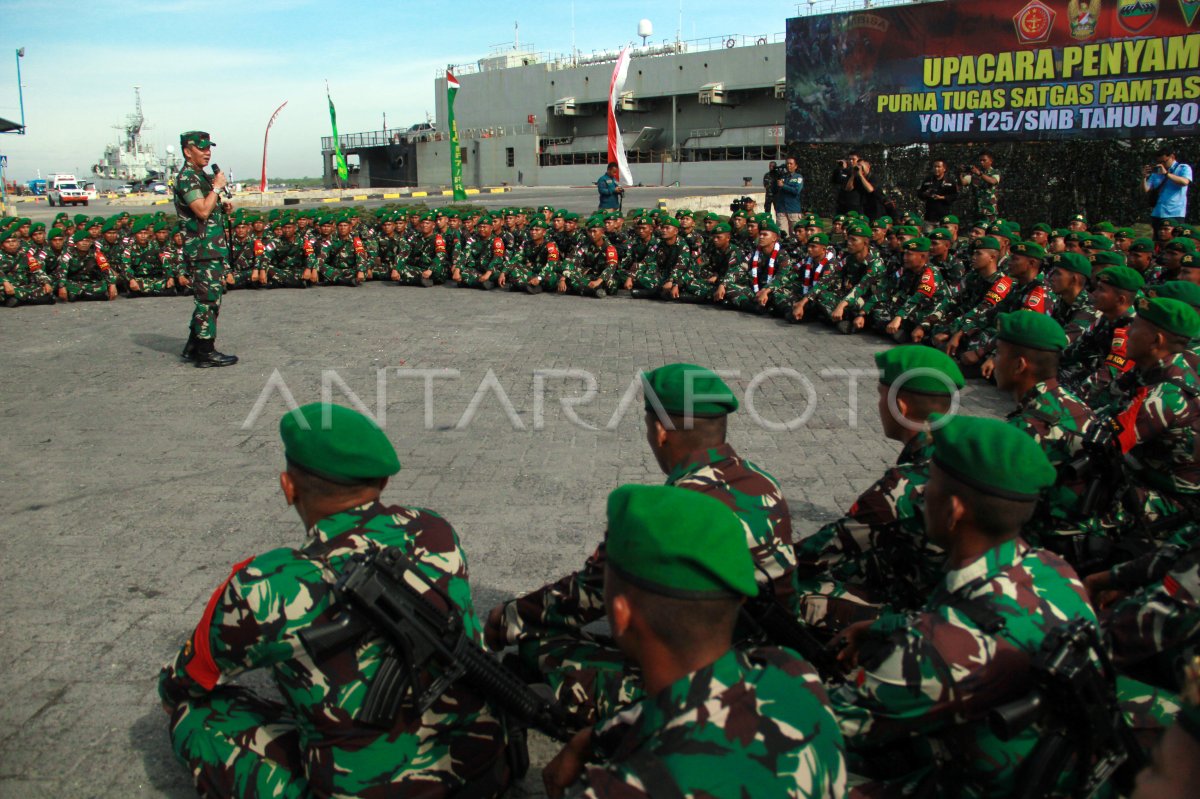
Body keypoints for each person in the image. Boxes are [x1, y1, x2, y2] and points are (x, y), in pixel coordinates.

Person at [158, 403, 508, 798]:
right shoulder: (435, 530)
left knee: (198, 717)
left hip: (368, 788)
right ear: (383, 483)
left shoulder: (266, 584)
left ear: (288, 488)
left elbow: (185, 681)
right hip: (481, 772)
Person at [486, 364, 798, 726]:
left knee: (540, 645)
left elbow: (588, 596)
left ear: (661, 431)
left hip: (711, 686)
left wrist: (509, 618)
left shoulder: (673, 512)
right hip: (771, 661)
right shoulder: (764, 483)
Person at [831, 414, 1100, 797]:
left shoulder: (936, 648)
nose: (922, 496)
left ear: (954, 511)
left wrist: (782, 670)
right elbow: (979, 621)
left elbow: (828, 722)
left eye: (931, 487)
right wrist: (883, 627)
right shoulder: (1053, 570)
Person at [541, 484, 848, 799]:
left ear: (620, 614)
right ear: (740, 598)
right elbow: (688, 701)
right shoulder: (796, 675)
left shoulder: (624, 790)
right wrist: (592, 739)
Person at [174, 130, 237, 367]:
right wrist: (217, 189)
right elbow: (201, 210)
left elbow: (209, 209)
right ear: (187, 152)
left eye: (209, 148)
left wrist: (221, 206)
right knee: (208, 301)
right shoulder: (188, 178)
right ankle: (205, 353)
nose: (207, 152)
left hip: (210, 247)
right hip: (202, 249)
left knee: (209, 298)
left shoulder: (199, 176)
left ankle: (193, 346)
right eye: (201, 149)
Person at [1143, 147, 1192, 237]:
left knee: (1175, 240)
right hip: (1158, 212)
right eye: (1159, 162)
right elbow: (1146, 189)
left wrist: (1166, 173)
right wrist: (1144, 177)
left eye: (1164, 161)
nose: (1162, 164)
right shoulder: (1157, 172)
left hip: (1175, 212)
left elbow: (1185, 182)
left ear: (1172, 157)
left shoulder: (1182, 168)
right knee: (1158, 239)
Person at [962, 149, 1001, 223]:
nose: (981, 162)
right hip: (976, 210)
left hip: (989, 211)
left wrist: (980, 174)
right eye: (980, 160)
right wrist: (959, 174)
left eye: (984, 160)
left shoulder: (995, 172)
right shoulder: (973, 173)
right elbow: (964, 182)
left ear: (990, 161)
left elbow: (993, 181)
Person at [917, 158, 959, 222]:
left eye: (939, 167)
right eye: (935, 167)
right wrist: (926, 194)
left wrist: (942, 197)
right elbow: (919, 193)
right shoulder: (927, 180)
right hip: (929, 216)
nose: (936, 169)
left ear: (944, 169)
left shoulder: (950, 181)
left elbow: (955, 195)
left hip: (944, 217)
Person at [774, 155, 805, 235]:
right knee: (783, 235)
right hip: (781, 210)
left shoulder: (798, 177)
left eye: (791, 164)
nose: (788, 165)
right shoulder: (782, 177)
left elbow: (796, 191)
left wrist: (783, 186)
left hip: (793, 210)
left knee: (796, 234)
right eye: (787, 164)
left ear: (795, 166)